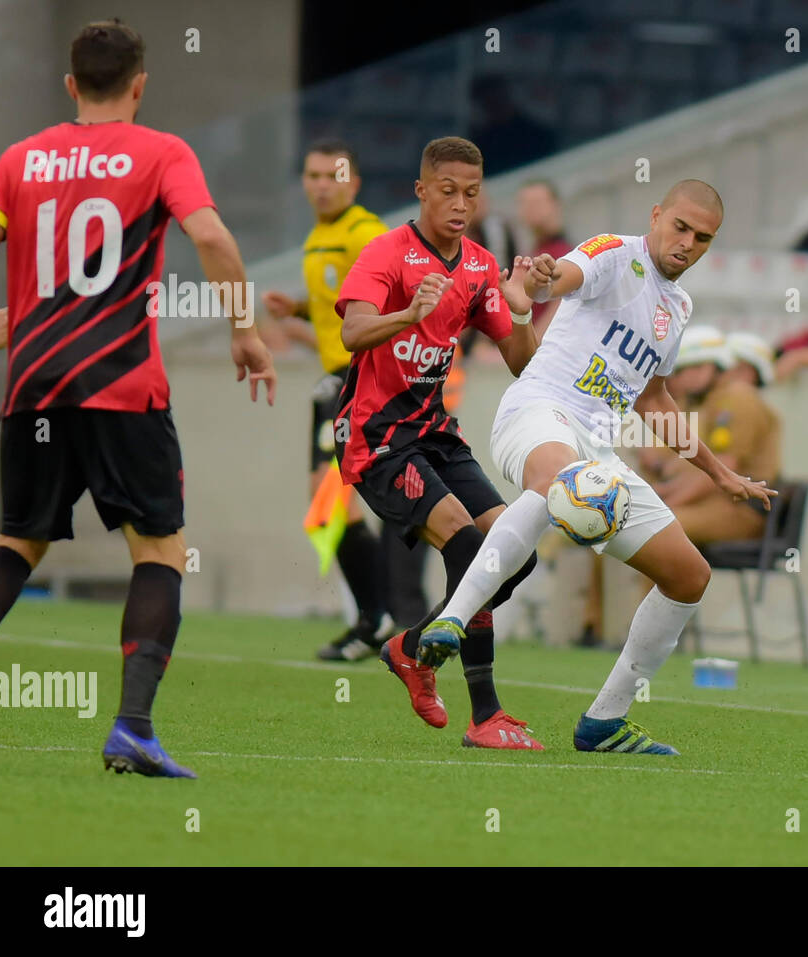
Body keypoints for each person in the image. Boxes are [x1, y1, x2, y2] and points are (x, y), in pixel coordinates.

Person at [0, 20, 277, 777]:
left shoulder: (18, 161)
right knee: (157, 551)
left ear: (70, 83)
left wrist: (20, 327)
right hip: (122, 388)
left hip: (34, 389)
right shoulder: (160, 152)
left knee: (17, 544)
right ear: (140, 84)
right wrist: (244, 331)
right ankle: (132, 728)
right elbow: (212, 239)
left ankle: (135, 730)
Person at [414, 180, 776, 755]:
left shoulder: (678, 307)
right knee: (557, 479)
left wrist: (719, 474)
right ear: (657, 216)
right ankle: (453, 620)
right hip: (540, 410)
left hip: (600, 449)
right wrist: (537, 279)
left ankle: (605, 720)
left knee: (689, 575)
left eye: (703, 238)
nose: (687, 244)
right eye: (680, 227)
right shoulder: (614, 253)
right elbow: (562, 275)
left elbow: (654, 399)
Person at [334, 136, 543, 749]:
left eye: (471, 194)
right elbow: (351, 332)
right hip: (378, 441)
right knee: (475, 550)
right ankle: (487, 715)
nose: (459, 204)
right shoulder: (386, 254)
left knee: (517, 551)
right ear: (421, 190)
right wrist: (406, 314)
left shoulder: (479, 265)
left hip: (435, 436)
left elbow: (521, 365)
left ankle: (410, 647)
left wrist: (522, 310)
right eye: (447, 191)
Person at [262, 140, 431, 660]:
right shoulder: (321, 236)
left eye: (330, 176)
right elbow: (348, 306)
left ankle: (385, 616)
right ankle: (380, 616)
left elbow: (398, 299)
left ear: (353, 184)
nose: (319, 185)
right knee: (331, 507)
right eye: (311, 175)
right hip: (335, 380)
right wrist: (299, 307)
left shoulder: (365, 233)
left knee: (338, 504)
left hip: (363, 380)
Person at [658, 329, 781, 546]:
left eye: (697, 367)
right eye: (683, 370)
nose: (688, 376)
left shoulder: (737, 398)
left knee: (654, 529)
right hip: (716, 503)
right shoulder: (710, 401)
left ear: (718, 365)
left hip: (739, 510)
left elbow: (724, 469)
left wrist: (669, 503)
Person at [515, 179, 573, 337]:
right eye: (525, 203)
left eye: (537, 202)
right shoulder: (530, 254)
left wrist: (529, 349)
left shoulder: (566, 255)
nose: (531, 209)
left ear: (556, 205)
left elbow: (561, 308)